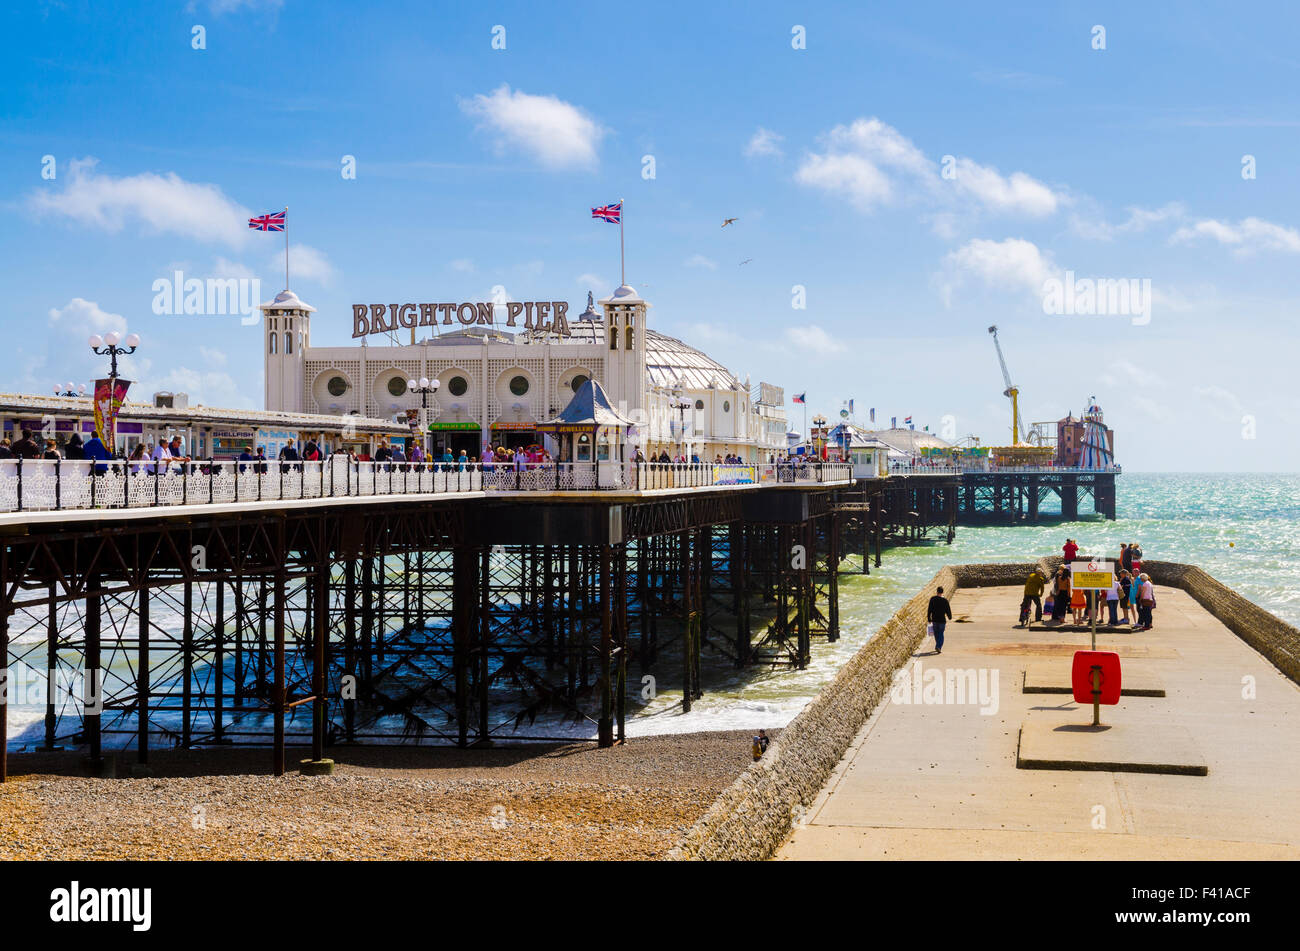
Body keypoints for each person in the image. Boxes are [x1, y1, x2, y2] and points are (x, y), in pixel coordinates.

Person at [927, 586, 952, 654]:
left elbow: (929, 609)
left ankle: (938, 645)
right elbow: (948, 610)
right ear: (942, 592)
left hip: (935, 620)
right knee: (941, 633)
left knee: (936, 634)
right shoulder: (945, 601)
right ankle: (938, 646)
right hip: (942, 621)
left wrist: (929, 618)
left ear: (937, 591)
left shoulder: (932, 599)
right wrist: (950, 617)